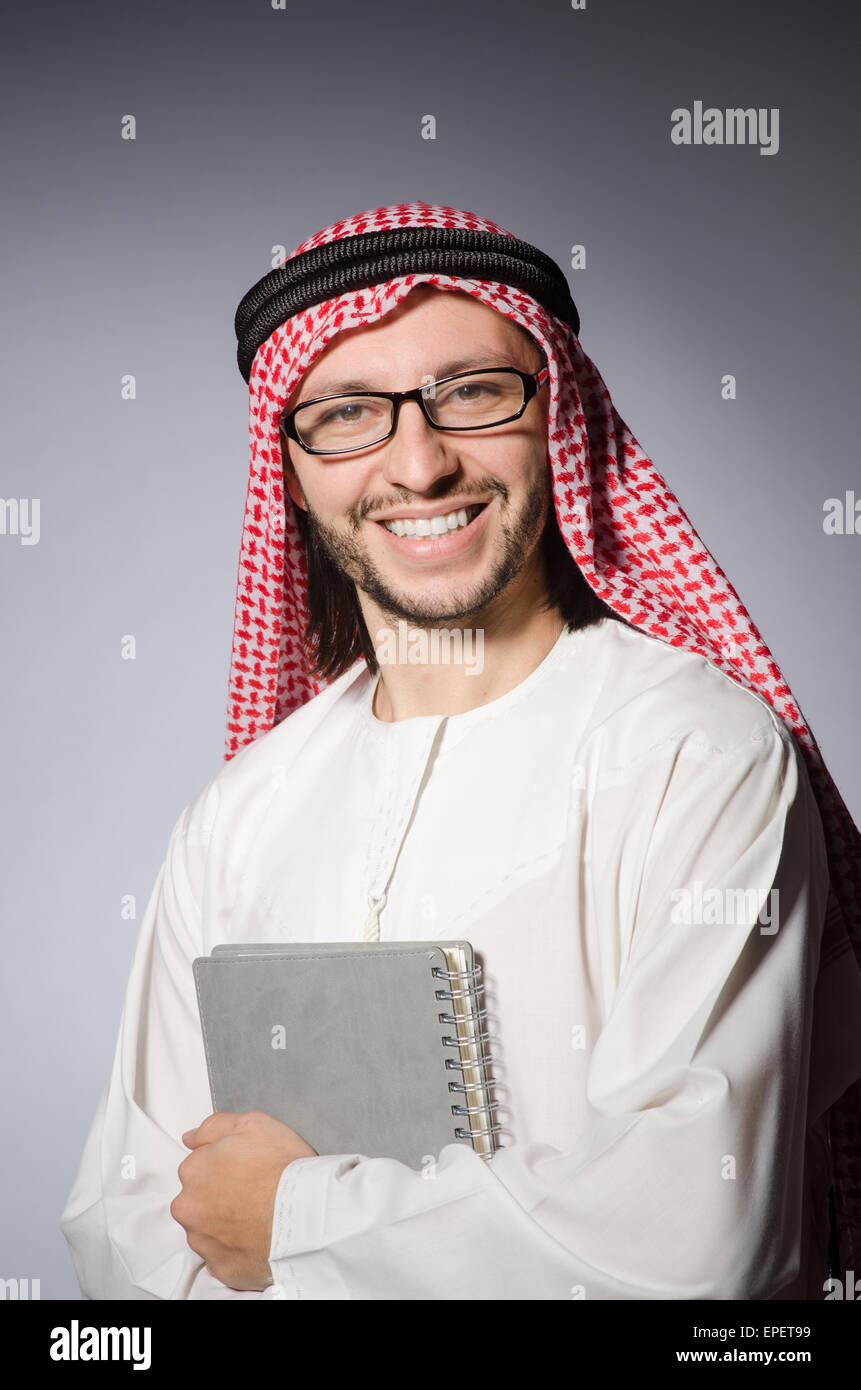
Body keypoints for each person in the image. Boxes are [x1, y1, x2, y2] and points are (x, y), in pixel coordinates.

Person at [60, 200, 861, 1300]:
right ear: (291, 471)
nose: (421, 462)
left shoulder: (698, 757)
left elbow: (698, 1238)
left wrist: (300, 1220)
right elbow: (126, 1219)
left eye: (473, 394)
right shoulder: (239, 816)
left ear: (557, 418)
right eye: (347, 414)